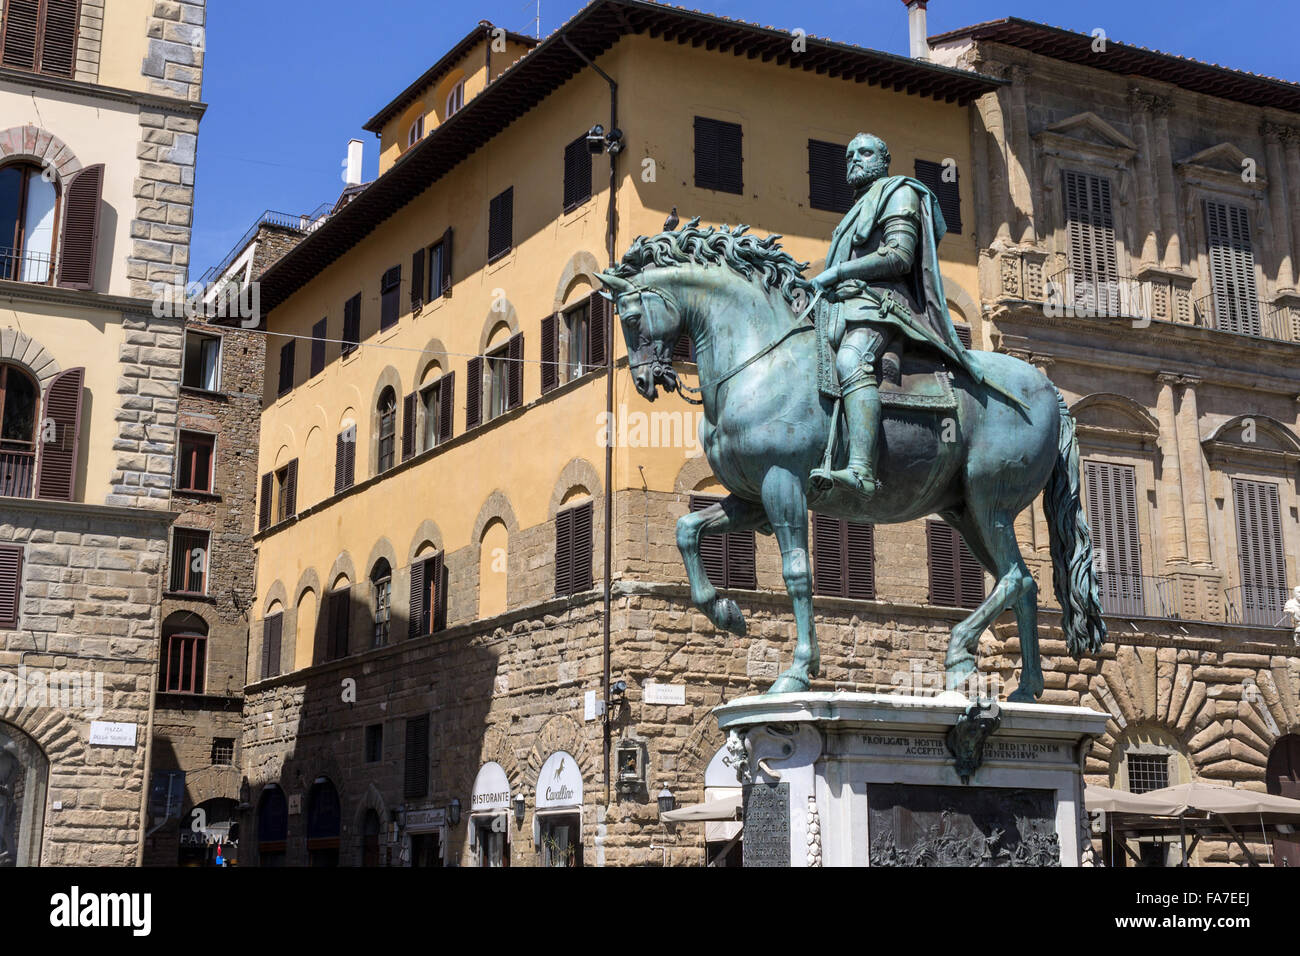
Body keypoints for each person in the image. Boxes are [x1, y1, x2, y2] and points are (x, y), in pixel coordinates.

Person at [809, 132, 984, 501]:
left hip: (882, 304)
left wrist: (839, 273)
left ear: (884, 160)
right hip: (846, 304)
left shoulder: (898, 192)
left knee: (851, 359)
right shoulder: (857, 207)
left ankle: (861, 469)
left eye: (866, 152)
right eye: (850, 155)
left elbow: (898, 256)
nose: (856, 159)